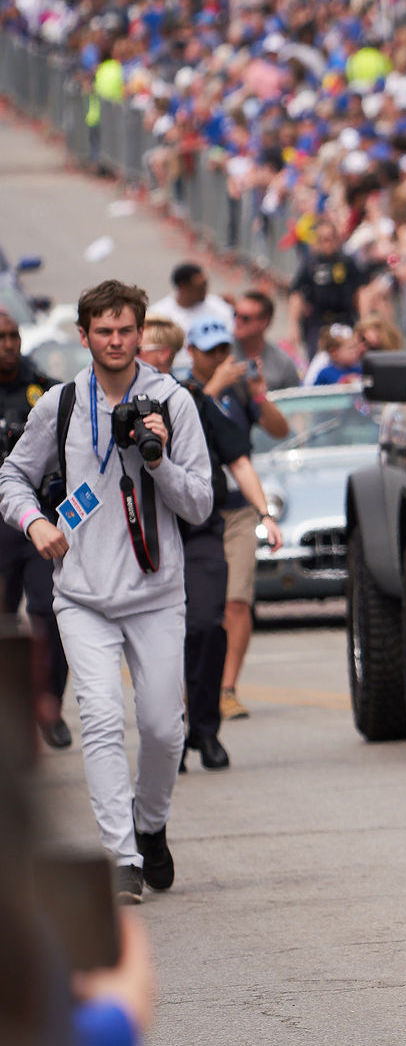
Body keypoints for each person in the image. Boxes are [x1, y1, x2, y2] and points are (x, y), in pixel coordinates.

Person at [0, 282, 213, 903]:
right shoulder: (61, 404)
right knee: (98, 717)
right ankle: (121, 856)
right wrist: (34, 521)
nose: (115, 342)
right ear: (85, 335)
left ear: (140, 333)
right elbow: (12, 474)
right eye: (103, 331)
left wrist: (157, 462)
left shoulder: (172, 401)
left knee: (163, 728)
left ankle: (150, 827)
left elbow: (199, 502)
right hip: (83, 595)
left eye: (126, 331)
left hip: (155, 591)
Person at [137, 318, 279, 770]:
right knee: (157, 639)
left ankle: (205, 727)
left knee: (205, 625)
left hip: (199, 527)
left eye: (164, 350)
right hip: (143, 533)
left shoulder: (192, 403)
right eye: (149, 348)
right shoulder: (108, 403)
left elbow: (238, 458)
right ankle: (168, 734)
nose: (155, 357)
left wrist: (265, 513)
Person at [183, 316, 285, 723]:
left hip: (239, 509)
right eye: (211, 352)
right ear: (192, 352)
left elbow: (278, 429)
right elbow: (186, 423)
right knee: (197, 610)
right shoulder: (183, 389)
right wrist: (214, 388)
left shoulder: (241, 389)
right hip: (195, 512)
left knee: (237, 601)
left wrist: (259, 396)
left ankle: (227, 688)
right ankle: (193, 689)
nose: (221, 358)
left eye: (225, 349)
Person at [0, 309, 67, 748]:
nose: (8, 344)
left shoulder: (42, 388)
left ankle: (50, 705)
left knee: (50, 614)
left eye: (13, 336)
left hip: (35, 520)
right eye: (0, 337)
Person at [287, 219, 370, 360]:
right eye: (323, 239)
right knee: (318, 359)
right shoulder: (310, 264)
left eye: (331, 238)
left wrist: (365, 322)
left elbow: (361, 292)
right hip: (318, 322)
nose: (328, 243)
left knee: (349, 358)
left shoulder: (347, 262)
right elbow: (297, 294)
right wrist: (293, 326)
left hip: (345, 319)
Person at [230, 291, 300, 390]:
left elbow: (293, 404)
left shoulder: (283, 364)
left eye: (245, 318)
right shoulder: (217, 353)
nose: (237, 321)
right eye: (235, 314)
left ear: (264, 322)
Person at [146, 264, 231, 338]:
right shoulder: (158, 314)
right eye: (200, 287)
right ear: (182, 286)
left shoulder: (219, 307)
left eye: (205, 284)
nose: (205, 290)